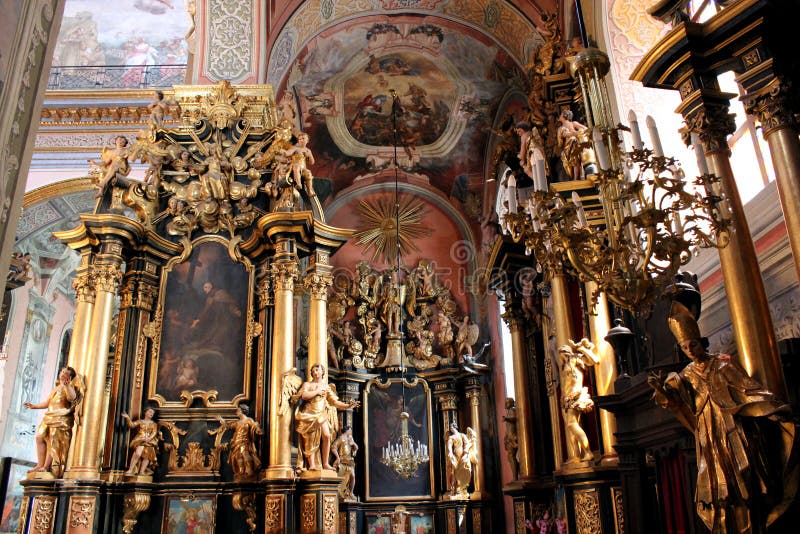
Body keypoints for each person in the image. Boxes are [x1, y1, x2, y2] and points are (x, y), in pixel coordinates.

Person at [649, 301, 798, 533]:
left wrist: (772, 408)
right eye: (685, 347)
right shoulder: (686, 375)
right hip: (709, 436)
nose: (690, 351)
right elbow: (678, 404)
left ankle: (756, 523)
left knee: (746, 479)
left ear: (701, 342)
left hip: (733, 430)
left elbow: (748, 390)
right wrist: (663, 392)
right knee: (718, 491)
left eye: (693, 345)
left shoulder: (723, 364)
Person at [294, 364, 360, 472]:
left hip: (321, 414)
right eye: (313, 370)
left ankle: (325, 463)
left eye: (317, 370)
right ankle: (311, 464)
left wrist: (348, 406)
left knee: (327, 435)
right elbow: (304, 396)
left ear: (322, 372)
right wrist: (317, 392)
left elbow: (334, 402)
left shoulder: (326, 387)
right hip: (309, 414)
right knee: (310, 439)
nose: (315, 372)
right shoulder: (307, 384)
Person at [23, 367, 81, 477]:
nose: (63, 374)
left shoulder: (69, 387)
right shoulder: (56, 387)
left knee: (51, 440)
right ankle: (40, 464)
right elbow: (47, 403)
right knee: (39, 437)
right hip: (49, 416)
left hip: (59, 418)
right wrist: (34, 406)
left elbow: (72, 398)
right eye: (62, 372)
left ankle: (46, 466)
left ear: (70, 377)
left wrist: (67, 386)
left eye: (66, 373)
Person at [559, 339, 599, 463]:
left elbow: (594, 360)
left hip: (575, 396)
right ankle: (576, 456)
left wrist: (580, 348)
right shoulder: (565, 365)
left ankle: (588, 452)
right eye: (561, 354)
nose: (563, 356)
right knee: (570, 428)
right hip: (565, 399)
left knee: (572, 425)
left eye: (564, 353)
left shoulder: (575, 360)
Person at [217, 403, 263, 480]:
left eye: (238, 410)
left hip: (245, 441)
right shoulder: (237, 422)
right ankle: (241, 471)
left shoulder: (248, 420)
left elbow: (255, 426)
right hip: (236, 442)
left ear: (242, 411)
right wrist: (221, 420)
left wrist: (258, 430)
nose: (236, 412)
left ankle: (249, 470)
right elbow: (228, 426)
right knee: (238, 457)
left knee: (245, 455)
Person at [122, 408, 160, 475]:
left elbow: (154, 432)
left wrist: (149, 438)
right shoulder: (140, 421)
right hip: (140, 439)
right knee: (137, 454)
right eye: (150, 412)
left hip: (149, 441)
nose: (151, 414)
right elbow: (132, 425)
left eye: (153, 413)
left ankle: (142, 471)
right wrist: (127, 418)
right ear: (145, 413)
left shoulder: (154, 424)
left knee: (147, 456)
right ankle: (130, 469)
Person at [445, 422, 474, 498]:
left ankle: (463, 488)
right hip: (455, 455)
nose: (451, 429)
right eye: (450, 428)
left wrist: (466, 452)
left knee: (464, 468)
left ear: (455, 428)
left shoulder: (462, 435)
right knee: (455, 471)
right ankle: (456, 489)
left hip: (462, 453)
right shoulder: (451, 437)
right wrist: (450, 453)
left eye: (452, 428)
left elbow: (467, 443)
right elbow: (449, 446)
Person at [556, 109, 587, 180]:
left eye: (561, 115)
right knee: (570, 163)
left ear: (564, 116)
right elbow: (565, 135)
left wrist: (579, 131)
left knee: (575, 160)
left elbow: (584, 128)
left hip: (574, 143)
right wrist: (575, 133)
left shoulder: (573, 123)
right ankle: (573, 177)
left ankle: (576, 177)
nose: (560, 116)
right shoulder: (561, 128)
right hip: (567, 147)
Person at [331, 425, 358, 501]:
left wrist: (353, 444)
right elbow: (333, 447)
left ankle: (351, 492)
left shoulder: (350, 439)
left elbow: (356, 448)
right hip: (342, 462)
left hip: (350, 462)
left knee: (352, 476)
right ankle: (340, 494)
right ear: (347, 431)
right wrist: (337, 457)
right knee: (341, 480)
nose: (351, 432)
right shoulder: (341, 438)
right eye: (350, 431)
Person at [503, 398, 519, 480]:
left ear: (511, 403)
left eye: (507, 402)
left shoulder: (513, 410)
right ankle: (515, 475)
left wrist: (506, 419)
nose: (505, 404)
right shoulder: (509, 411)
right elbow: (508, 427)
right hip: (510, 437)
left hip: (513, 437)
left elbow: (514, 419)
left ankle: (515, 477)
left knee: (511, 456)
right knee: (510, 457)